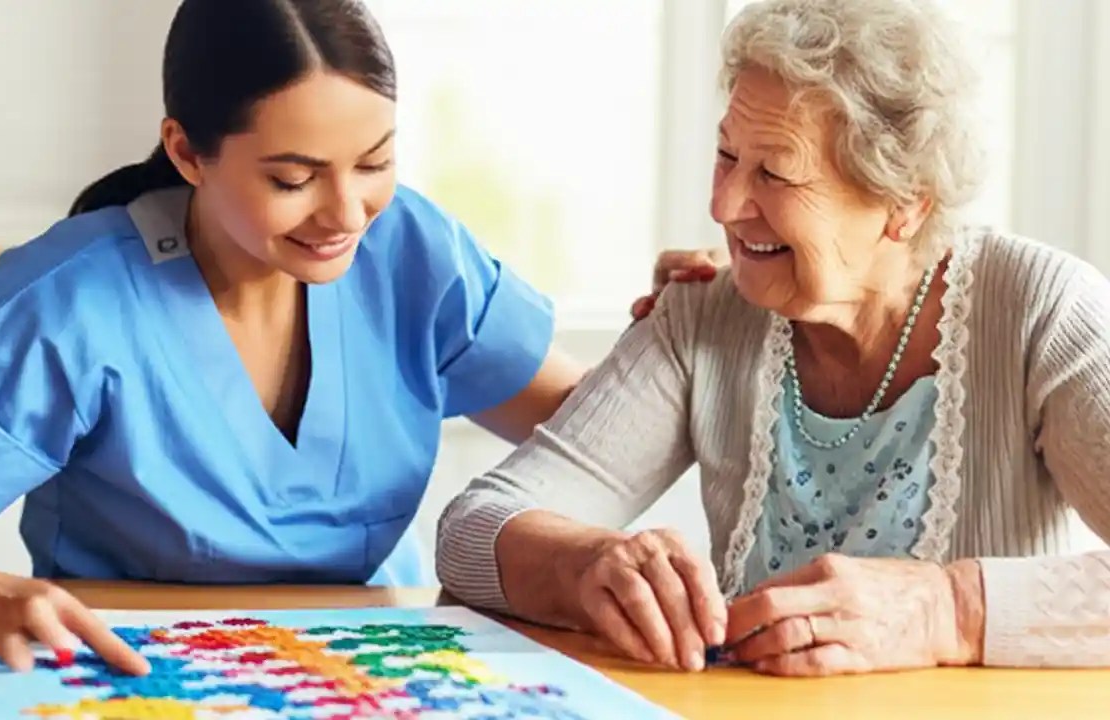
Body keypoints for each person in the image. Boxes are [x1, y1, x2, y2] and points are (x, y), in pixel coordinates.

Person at [0, 0, 704, 676]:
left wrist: (690, 335)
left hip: (372, 679)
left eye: (374, 163)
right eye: (293, 178)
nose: (346, 213)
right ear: (186, 151)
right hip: (129, 680)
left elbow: (599, 437)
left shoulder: (412, 253)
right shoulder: (71, 303)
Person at [438, 0, 1110, 677]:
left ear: (904, 205)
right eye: (727, 155)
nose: (724, 205)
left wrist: (952, 609)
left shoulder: (1040, 310)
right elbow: (472, 528)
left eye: (775, 174)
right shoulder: (706, 313)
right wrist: (587, 564)